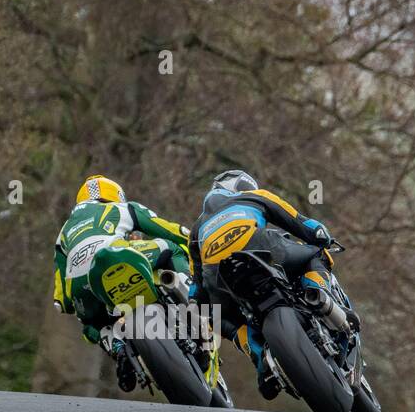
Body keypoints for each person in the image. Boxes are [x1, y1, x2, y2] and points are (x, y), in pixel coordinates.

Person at [189, 169, 348, 399]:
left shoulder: (196, 229)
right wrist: (321, 236)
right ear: (240, 187)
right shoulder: (256, 196)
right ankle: (318, 294)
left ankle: (257, 354)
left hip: (218, 276)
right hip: (262, 247)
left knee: (218, 318)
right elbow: (301, 223)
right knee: (317, 255)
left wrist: (197, 304)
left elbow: (196, 286)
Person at [52, 174, 194, 391]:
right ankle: (192, 301)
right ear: (116, 194)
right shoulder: (124, 209)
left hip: (81, 286)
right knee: (171, 247)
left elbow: (63, 301)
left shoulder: (63, 234)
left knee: (91, 325)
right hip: (118, 256)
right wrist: (195, 242)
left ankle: (117, 348)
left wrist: (73, 304)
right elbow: (170, 231)